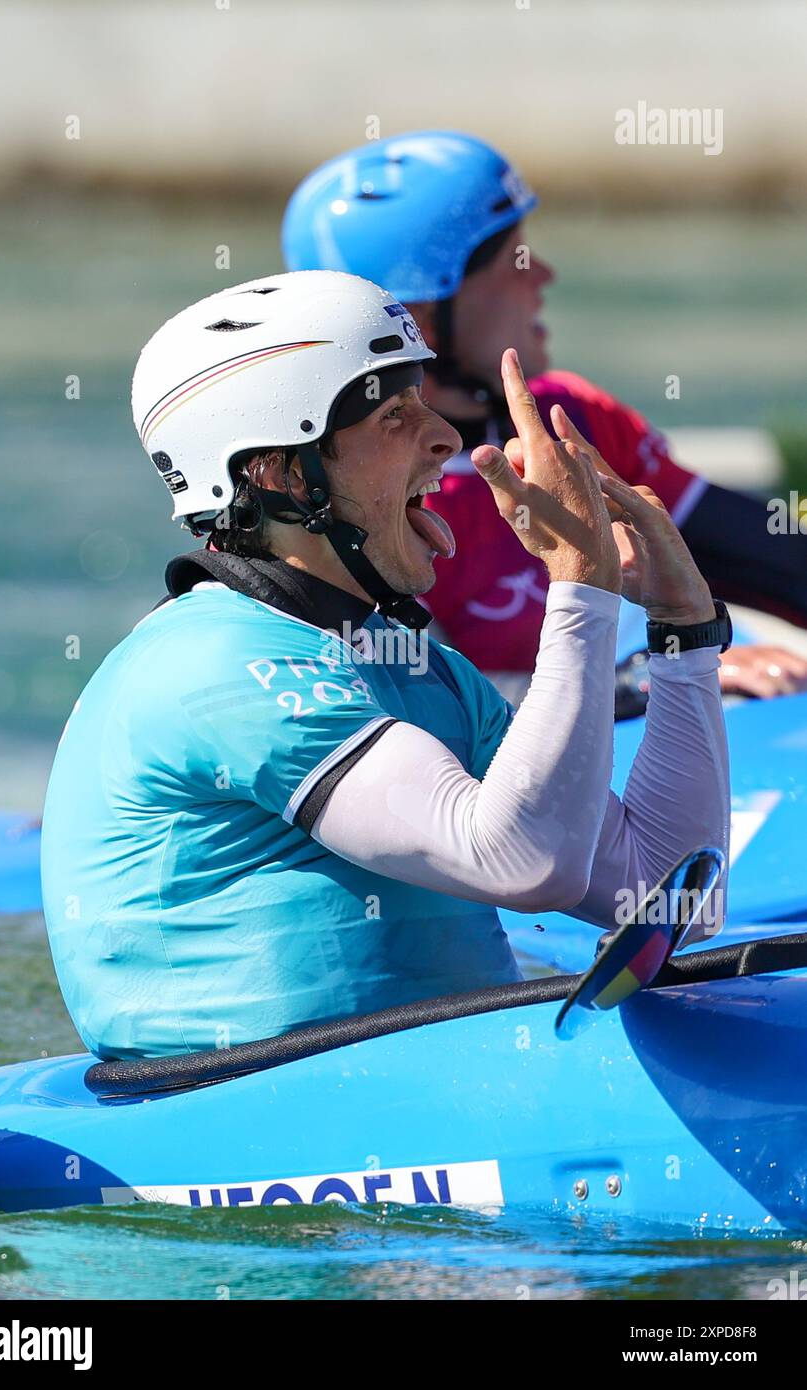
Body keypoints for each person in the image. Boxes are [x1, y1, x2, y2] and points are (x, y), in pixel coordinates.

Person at [40, 270, 729, 1060]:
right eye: (395, 415)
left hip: (432, 1083)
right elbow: (523, 863)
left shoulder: (426, 673)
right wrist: (580, 587)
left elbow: (666, 899)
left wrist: (683, 635)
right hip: (235, 1103)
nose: (446, 439)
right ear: (280, 473)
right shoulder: (214, 665)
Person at [282, 130, 807, 711]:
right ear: (421, 318)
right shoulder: (364, 499)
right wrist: (637, 681)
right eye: (515, 261)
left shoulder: (572, 416)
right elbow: (428, 707)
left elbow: (775, 559)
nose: (544, 276)